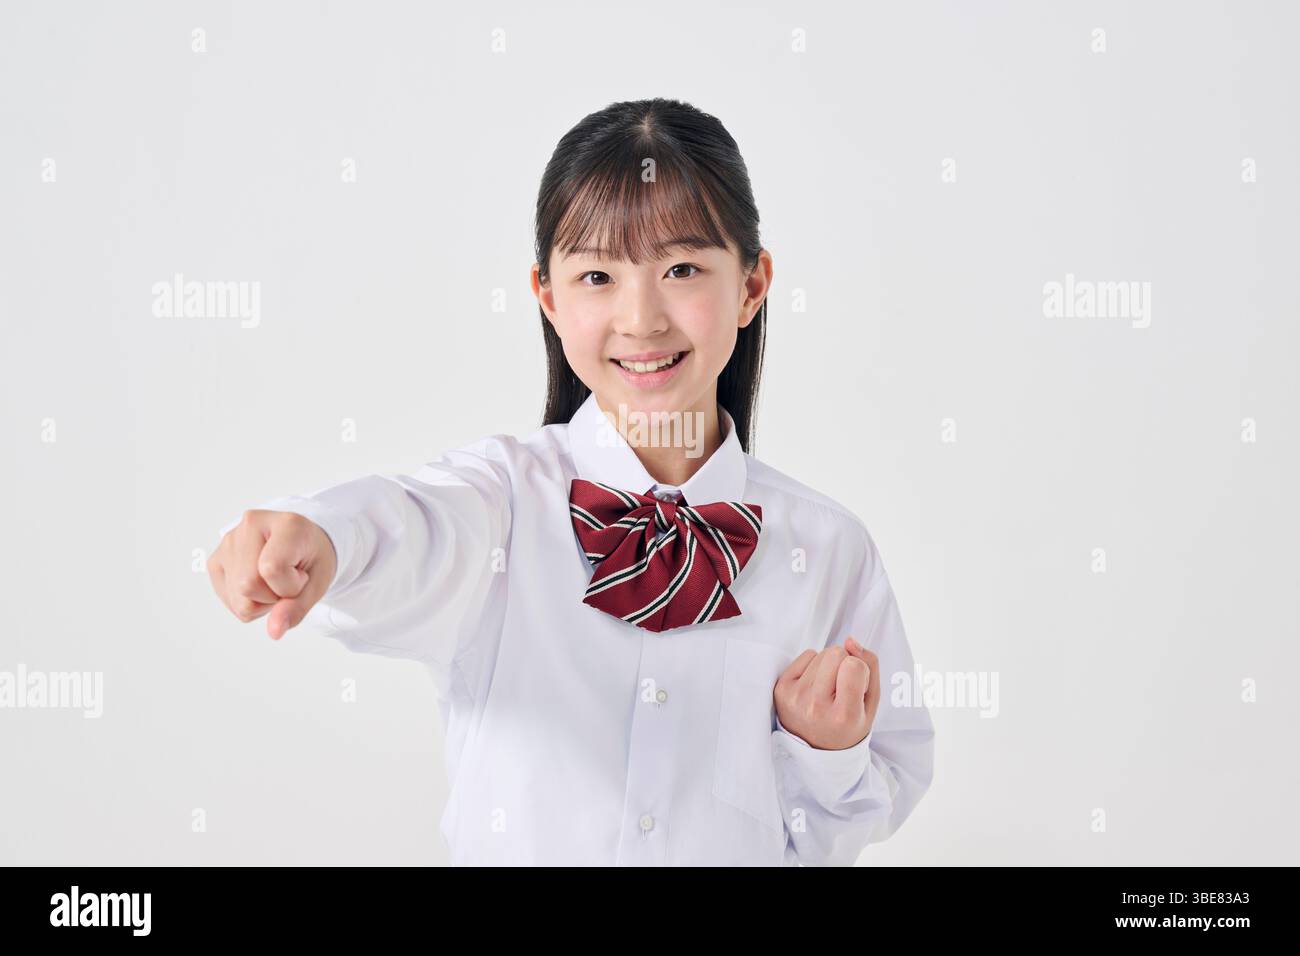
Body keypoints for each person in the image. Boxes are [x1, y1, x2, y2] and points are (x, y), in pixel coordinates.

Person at [208, 97, 934, 866]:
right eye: (597, 276)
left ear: (753, 284)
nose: (641, 318)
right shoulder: (502, 503)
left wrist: (823, 749)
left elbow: (849, 820)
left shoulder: (827, 548)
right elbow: (416, 526)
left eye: (682, 269)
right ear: (548, 298)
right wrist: (320, 534)